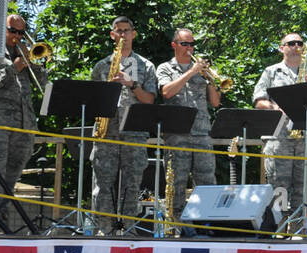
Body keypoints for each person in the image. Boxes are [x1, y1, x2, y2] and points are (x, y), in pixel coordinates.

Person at [90, 16, 157, 235]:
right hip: (106, 131)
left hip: (134, 133)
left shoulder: (146, 66)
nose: (123, 35)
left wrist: (132, 84)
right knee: (103, 184)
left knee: (132, 183)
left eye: (126, 31)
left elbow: (149, 100)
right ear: (112, 35)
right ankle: (104, 230)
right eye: (118, 31)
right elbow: (92, 101)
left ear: (133, 34)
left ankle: (129, 230)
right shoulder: (101, 66)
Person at [253, 32, 307, 220]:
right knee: (279, 189)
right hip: (279, 138)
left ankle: (298, 230)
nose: (296, 46)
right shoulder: (271, 72)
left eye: (300, 43)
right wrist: (277, 107)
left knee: (303, 189)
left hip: (306, 139)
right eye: (292, 43)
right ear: (282, 48)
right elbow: (259, 102)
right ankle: (277, 230)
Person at [0, 13, 43, 233]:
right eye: (12, 30)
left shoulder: (25, 55)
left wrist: (32, 63)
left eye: (21, 32)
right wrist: (14, 67)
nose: (16, 35)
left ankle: (1, 218)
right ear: (3, 29)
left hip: (25, 124)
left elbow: (43, 84)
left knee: (12, 174)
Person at [156, 28, 222, 221]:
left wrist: (209, 79)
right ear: (174, 45)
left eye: (192, 44)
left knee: (207, 182)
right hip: (177, 134)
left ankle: (208, 224)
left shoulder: (202, 71)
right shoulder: (165, 68)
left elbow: (216, 102)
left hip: (202, 133)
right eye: (185, 44)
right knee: (176, 183)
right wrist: (191, 72)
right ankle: (174, 226)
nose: (190, 48)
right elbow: (166, 92)